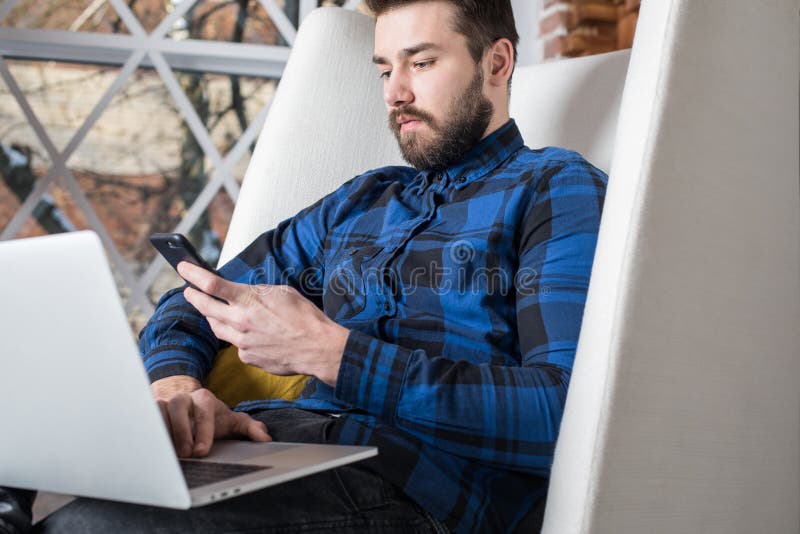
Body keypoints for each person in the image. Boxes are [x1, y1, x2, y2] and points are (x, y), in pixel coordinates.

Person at [0, 0, 608, 532]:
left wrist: (332, 354)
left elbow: (561, 418)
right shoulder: (365, 199)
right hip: (268, 446)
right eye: (385, 68)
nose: (395, 91)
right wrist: (178, 389)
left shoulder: (554, 187)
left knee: (88, 523)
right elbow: (194, 298)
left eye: (420, 63)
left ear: (497, 63)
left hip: (415, 487)